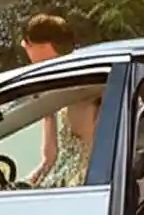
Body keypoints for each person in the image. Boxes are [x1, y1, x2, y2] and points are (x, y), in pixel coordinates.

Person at [19, 14, 94, 187]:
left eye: (28, 46)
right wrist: (37, 176)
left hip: (83, 182)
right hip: (64, 176)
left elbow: (93, 151)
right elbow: (50, 156)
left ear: (45, 47)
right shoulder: (54, 88)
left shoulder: (84, 88)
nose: (27, 53)